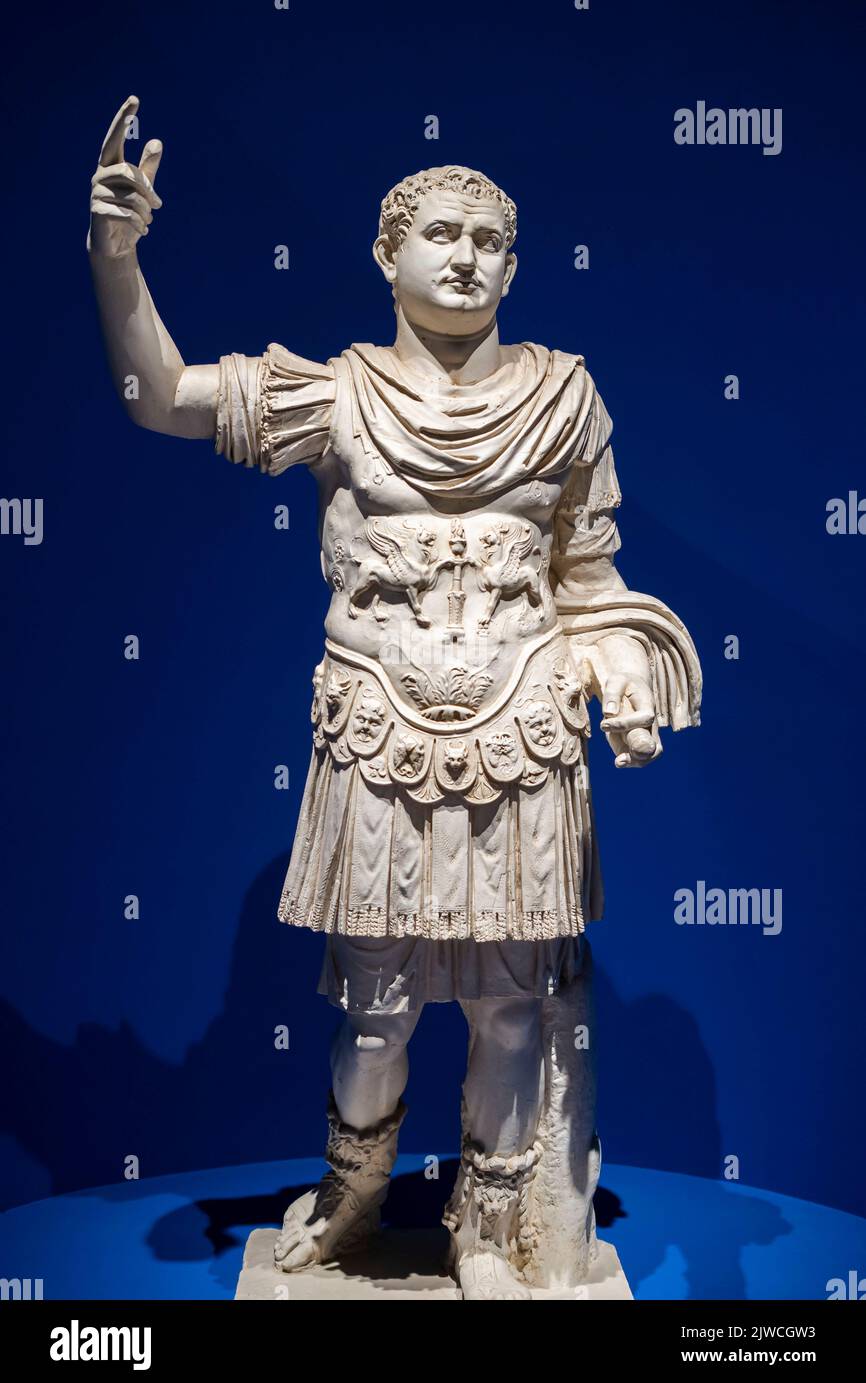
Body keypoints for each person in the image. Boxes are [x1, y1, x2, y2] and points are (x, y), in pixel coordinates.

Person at [89, 96, 701, 1300]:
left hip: (522, 727)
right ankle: (355, 1195)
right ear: (387, 254)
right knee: (374, 1010)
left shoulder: (565, 400)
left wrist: (617, 663)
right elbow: (155, 397)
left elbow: (589, 580)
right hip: (376, 725)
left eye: (489, 240)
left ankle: (485, 1226)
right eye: (441, 232)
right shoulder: (336, 396)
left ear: (513, 265)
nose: (466, 255)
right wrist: (117, 255)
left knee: (511, 1011)